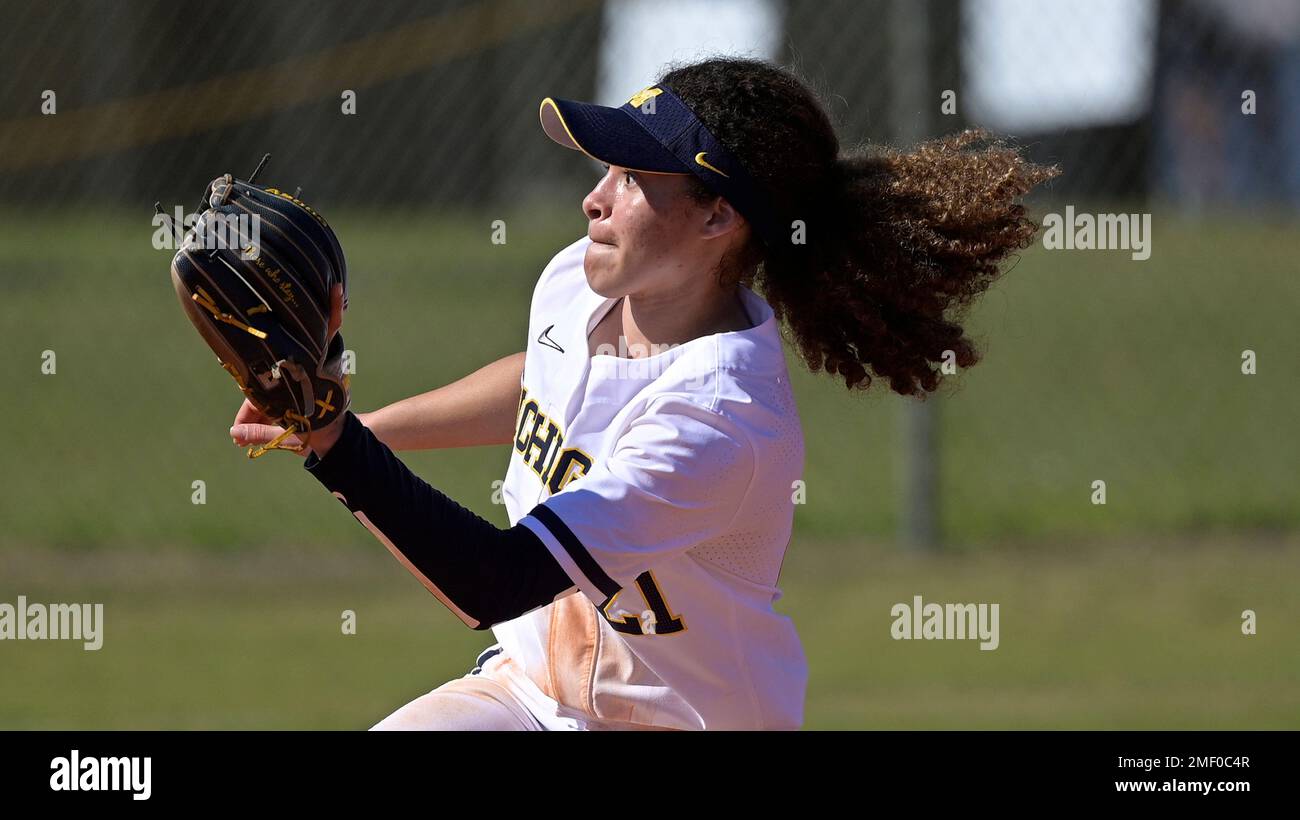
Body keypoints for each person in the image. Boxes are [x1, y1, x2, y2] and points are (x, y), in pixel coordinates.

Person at [230, 57, 1057, 730]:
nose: (596, 198)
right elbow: (539, 381)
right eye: (606, 168)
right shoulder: (578, 282)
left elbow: (492, 579)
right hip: (531, 691)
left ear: (716, 219)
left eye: (633, 177)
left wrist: (341, 445)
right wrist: (358, 427)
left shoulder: (721, 418)